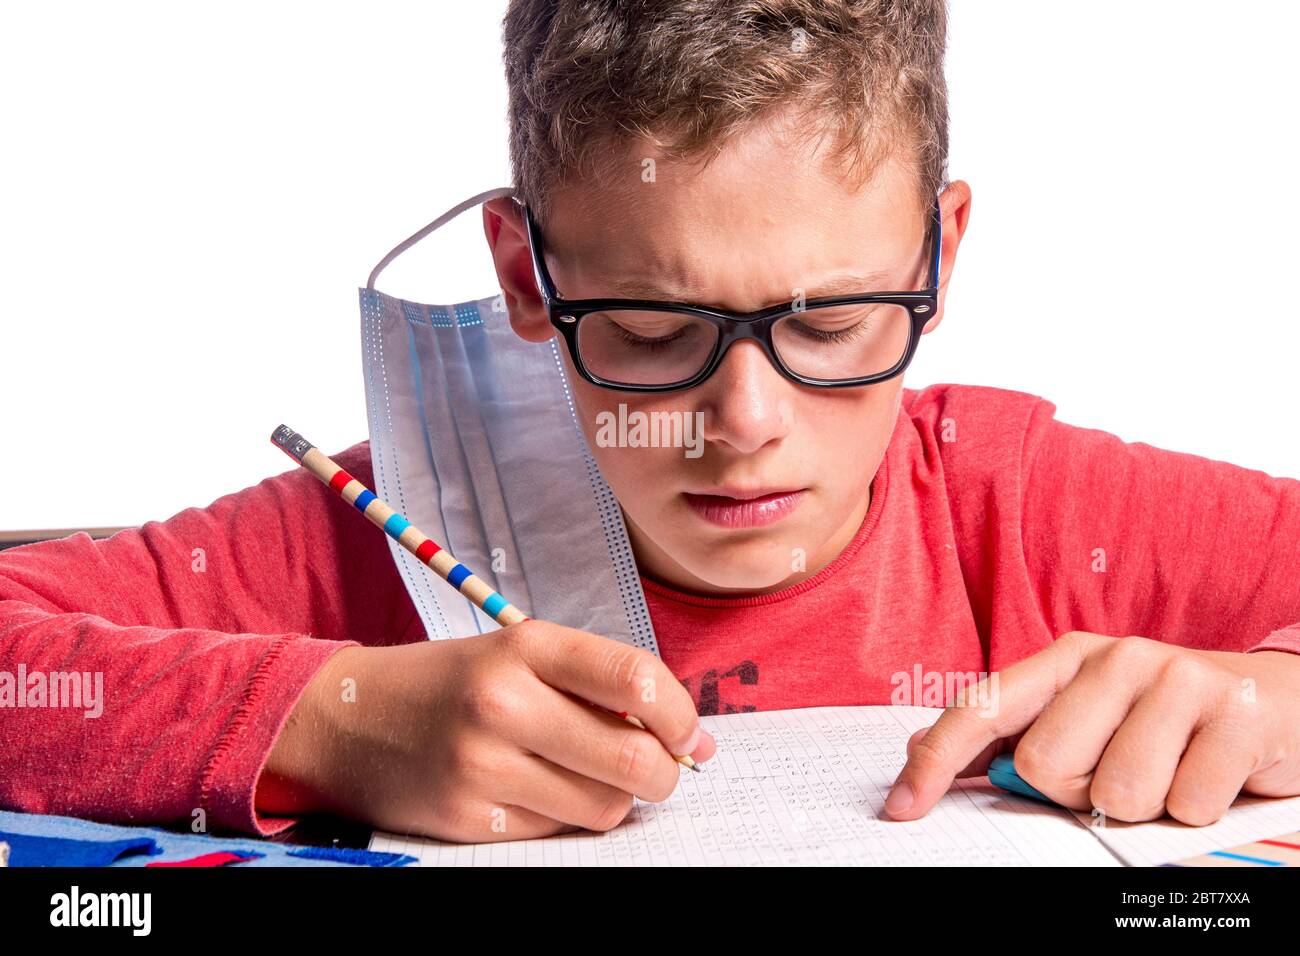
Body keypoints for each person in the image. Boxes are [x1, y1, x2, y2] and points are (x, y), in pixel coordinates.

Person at [2, 0, 1298, 843]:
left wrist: (1270, 697)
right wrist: (331, 718)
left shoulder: (1025, 512)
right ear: (526, 277)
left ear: (939, 258)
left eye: (835, 322)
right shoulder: (398, 520)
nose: (744, 419)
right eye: (651, 329)